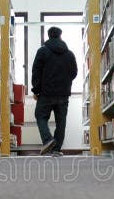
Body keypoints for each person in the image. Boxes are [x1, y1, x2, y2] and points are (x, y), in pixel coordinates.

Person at [31, 26, 78, 156]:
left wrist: (36, 90)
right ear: (60, 36)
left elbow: (36, 72)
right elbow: (74, 73)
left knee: (40, 115)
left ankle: (48, 140)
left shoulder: (42, 51)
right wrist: (65, 83)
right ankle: (56, 149)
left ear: (49, 36)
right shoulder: (69, 54)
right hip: (63, 93)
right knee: (61, 121)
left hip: (46, 92)